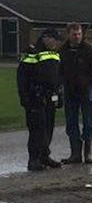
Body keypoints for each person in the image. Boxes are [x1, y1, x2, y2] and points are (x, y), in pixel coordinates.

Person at [17, 29, 64, 172]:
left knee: (48, 128)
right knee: (37, 129)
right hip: (35, 97)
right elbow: (22, 78)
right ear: (46, 38)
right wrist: (25, 98)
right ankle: (34, 159)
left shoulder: (55, 55)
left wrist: (59, 95)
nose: (56, 43)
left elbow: (58, 77)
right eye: (54, 40)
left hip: (50, 97)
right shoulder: (32, 54)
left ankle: (44, 156)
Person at [60, 22, 92, 165]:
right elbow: (58, 70)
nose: (77, 36)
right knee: (71, 122)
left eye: (79, 34)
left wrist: (91, 83)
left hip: (86, 91)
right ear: (68, 34)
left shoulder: (90, 50)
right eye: (74, 34)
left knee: (88, 121)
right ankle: (75, 153)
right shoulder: (63, 51)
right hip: (70, 91)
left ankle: (88, 153)